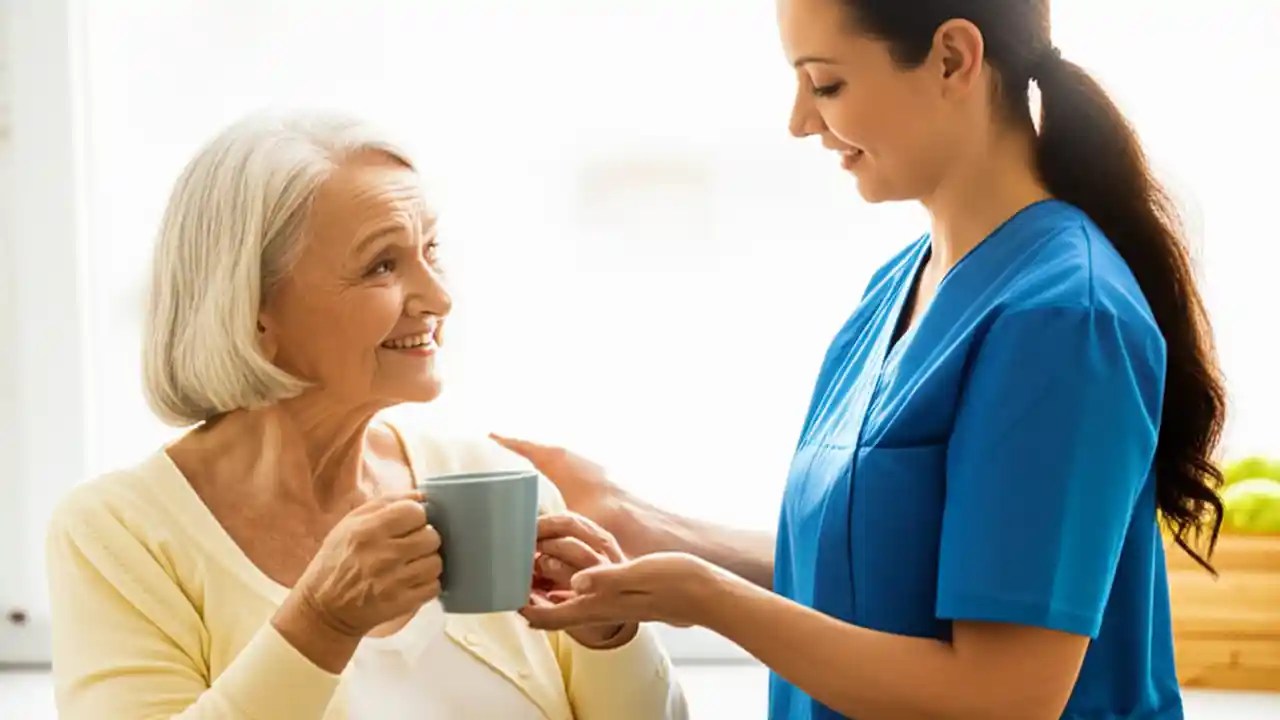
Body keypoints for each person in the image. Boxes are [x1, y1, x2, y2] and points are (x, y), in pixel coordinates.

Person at [505, 1, 1227, 718]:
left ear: (952, 58)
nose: (800, 122)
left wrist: (703, 598)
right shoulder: (902, 285)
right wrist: (644, 526)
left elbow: (1003, 698)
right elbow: (877, 575)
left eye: (826, 85)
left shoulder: (1063, 320)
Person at [44, 112, 687, 720]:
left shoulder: (490, 479)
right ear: (254, 311)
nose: (440, 298)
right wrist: (321, 623)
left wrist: (611, 634)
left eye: (430, 251)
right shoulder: (117, 531)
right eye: (383, 264)